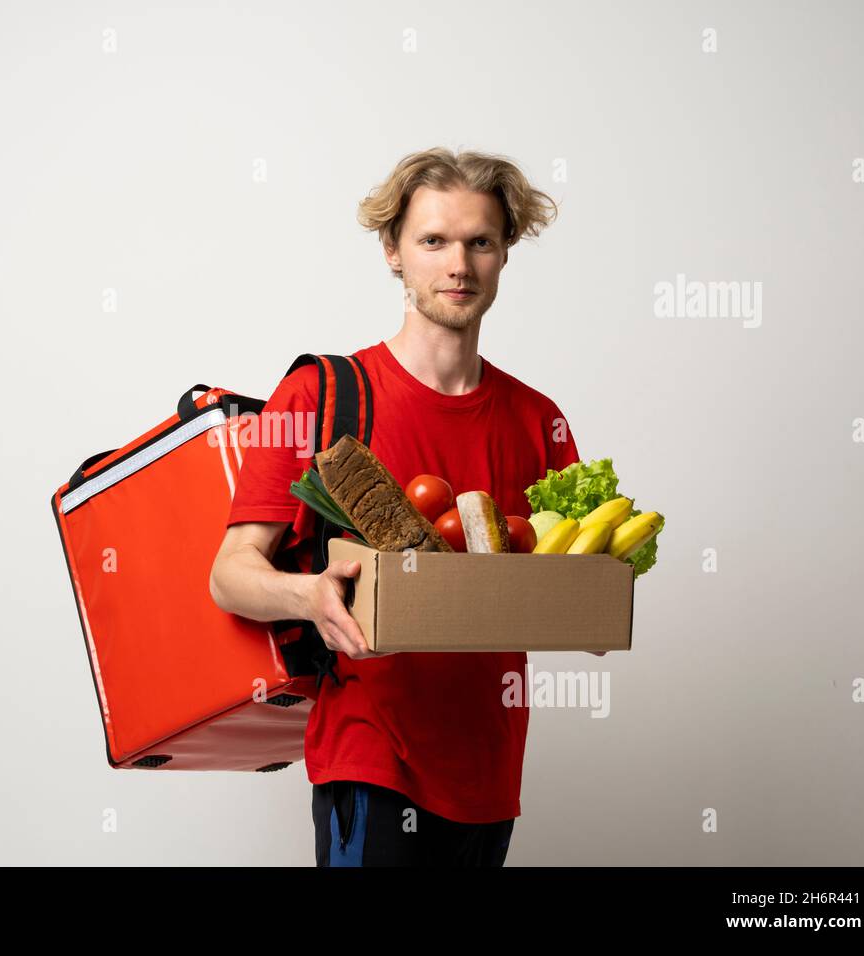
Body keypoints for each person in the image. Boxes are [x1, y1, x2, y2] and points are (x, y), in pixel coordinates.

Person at [209, 147, 604, 867]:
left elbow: (568, 592)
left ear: (505, 254)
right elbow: (229, 573)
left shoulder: (538, 419)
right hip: (370, 757)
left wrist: (598, 602)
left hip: (489, 774)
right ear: (393, 252)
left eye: (480, 242)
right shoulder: (317, 396)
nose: (459, 265)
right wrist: (310, 595)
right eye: (434, 241)